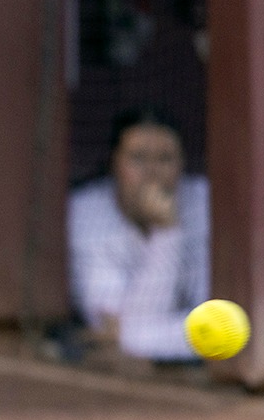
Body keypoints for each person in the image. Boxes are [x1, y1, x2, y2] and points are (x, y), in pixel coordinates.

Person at [67, 108, 209, 362]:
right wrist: (166, 233)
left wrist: (131, 336)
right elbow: (128, 331)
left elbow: (220, 319)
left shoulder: (202, 203)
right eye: (138, 158)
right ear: (114, 164)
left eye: (165, 158)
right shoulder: (85, 216)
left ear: (182, 165)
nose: (152, 172)